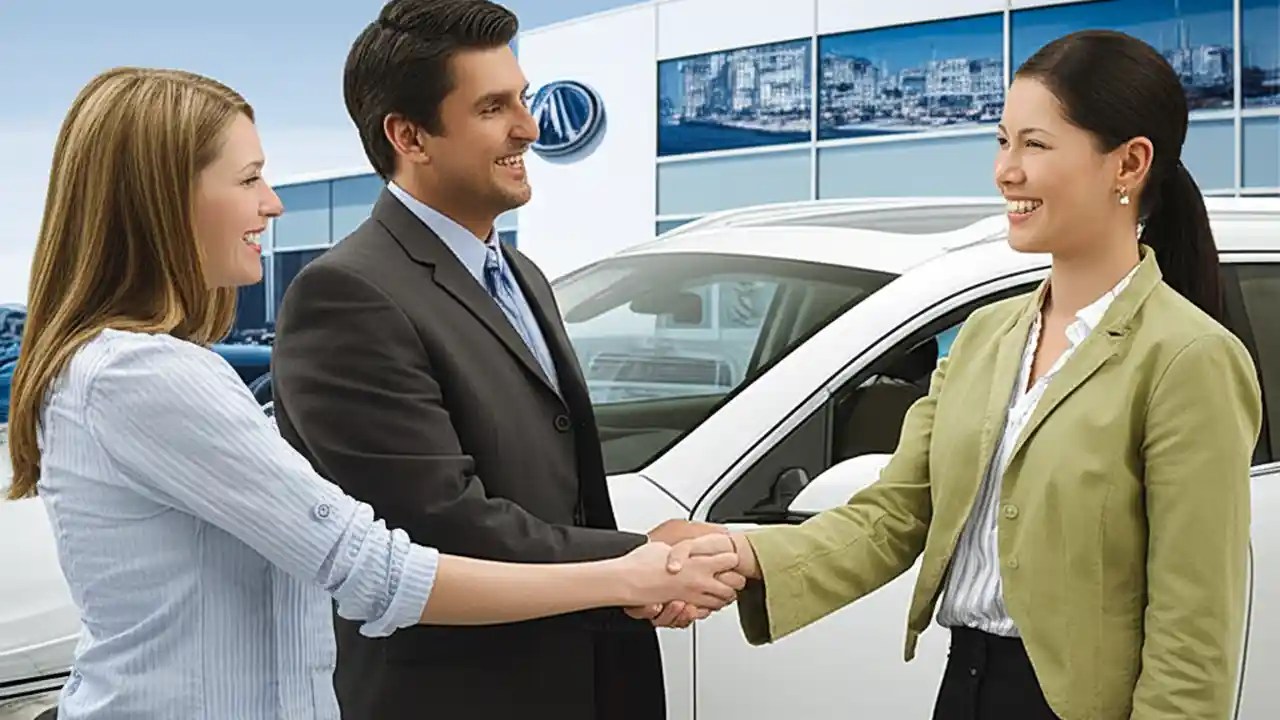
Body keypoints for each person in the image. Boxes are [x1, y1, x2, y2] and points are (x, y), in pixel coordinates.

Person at [3, 66, 744, 720]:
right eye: (247, 178)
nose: (273, 206)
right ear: (163, 200)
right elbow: (373, 570)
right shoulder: (145, 377)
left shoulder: (110, 370)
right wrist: (625, 571)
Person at [670, 29, 1264, 720]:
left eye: (1035, 145)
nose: (1005, 171)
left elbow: (1192, 639)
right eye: (1002, 140)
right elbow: (895, 512)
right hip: (967, 688)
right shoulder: (987, 335)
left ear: (1128, 164)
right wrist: (740, 551)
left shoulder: (1188, 360)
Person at [269, 2, 730, 718]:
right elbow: (440, 525)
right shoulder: (346, 294)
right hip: (458, 694)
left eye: (521, 97)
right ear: (409, 136)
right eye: (493, 107)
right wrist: (645, 562)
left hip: (584, 676)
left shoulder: (520, 272)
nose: (530, 126)